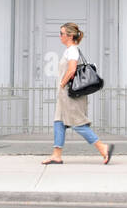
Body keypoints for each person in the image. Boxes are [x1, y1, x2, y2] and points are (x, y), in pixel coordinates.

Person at [43, 23, 112, 165]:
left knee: (77, 123)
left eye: (62, 33)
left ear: (69, 36)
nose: (60, 36)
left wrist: (62, 84)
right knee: (59, 122)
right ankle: (56, 155)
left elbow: (72, 70)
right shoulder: (69, 50)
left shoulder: (72, 50)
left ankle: (102, 147)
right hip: (65, 95)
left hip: (70, 95)